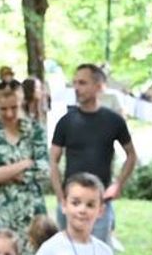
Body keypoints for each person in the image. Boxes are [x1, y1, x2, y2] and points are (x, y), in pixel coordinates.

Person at [49, 64, 138, 243]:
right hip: (70, 202)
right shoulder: (66, 122)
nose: (77, 88)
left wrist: (118, 184)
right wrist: (60, 198)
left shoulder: (114, 121)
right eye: (74, 83)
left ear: (99, 86)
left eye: (82, 83)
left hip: (100, 203)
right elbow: (53, 160)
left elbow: (131, 155)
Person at [0, 79, 50, 255]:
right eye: (3, 109)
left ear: (22, 103)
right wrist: (25, 164)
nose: (9, 114)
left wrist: (7, 172)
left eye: (14, 107)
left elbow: (43, 169)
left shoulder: (35, 130)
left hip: (31, 208)